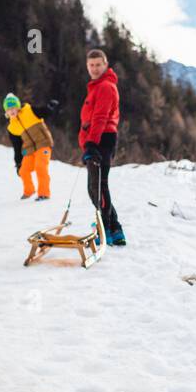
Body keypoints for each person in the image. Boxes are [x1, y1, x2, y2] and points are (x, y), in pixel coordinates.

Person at [79, 49, 125, 246]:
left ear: (105, 65)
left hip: (101, 139)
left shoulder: (105, 86)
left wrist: (91, 143)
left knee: (96, 186)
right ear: (87, 67)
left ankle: (104, 228)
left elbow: (100, 117)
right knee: (97, 186)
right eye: (91, 65)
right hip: (99, 139)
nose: (95, 68)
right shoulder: (97, 87)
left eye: (99, 64)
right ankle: (115, 230)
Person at [3, 93, 56, 201]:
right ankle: (29, 191)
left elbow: (43, 112)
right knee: (23, 171)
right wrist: (18, 163)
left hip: (44, 144)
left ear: (18, 107)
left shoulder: (29, 111)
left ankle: (44, 194)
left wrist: (49, 108)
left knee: (40, 166)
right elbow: (17, 147)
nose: (12, 111)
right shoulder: (12, 128)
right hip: (29, 150)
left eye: (14, 108)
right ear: (6, 112)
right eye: (9, 109)